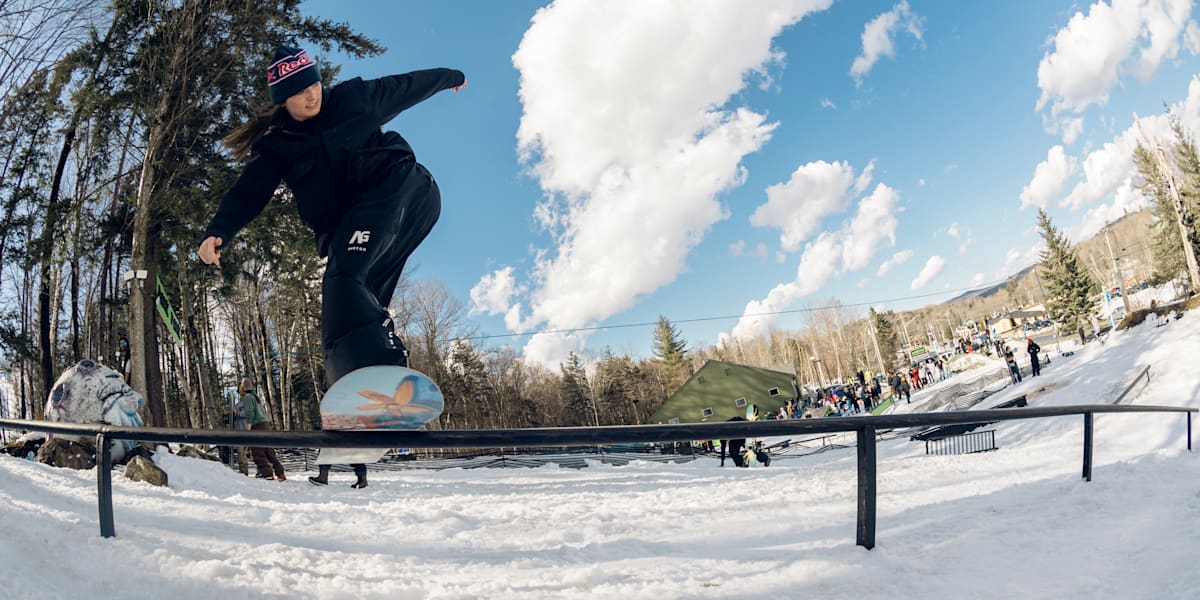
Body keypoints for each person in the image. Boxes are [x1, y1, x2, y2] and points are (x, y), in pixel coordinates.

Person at [199, 46, 466, 486]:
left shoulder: (352, 99)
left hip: (401, 191)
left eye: (314, 84)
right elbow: (248, 193)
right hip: (361, 224)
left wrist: (451, 74)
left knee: (344, 278)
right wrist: (219, 231)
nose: (312, 96)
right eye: (300, 93)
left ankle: (381, 375)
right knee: (348, 306)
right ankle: (361, 402)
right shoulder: (278, 147)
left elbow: (407, 85)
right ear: (281, 100)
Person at [238, 377, 286, 481]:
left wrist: (248, 428)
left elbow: (250, 413)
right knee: (269, 450)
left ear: (243, 387)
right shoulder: (256, 396)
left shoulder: (247, 398)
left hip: (257, 426)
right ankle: (280, 473)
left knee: (257, 451)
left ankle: (267, 474)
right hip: (265, 424)